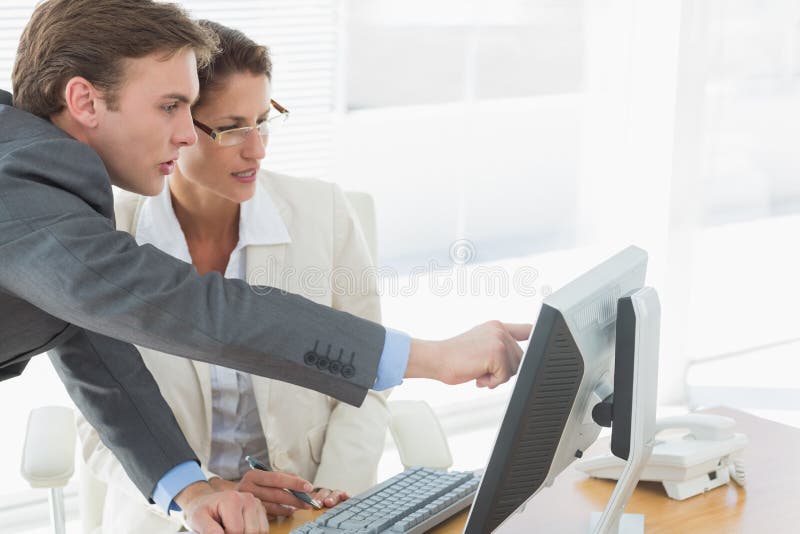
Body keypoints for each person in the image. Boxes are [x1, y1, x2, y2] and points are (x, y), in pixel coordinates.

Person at [0, 1, 530, 532]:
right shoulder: (26, 188)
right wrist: (435, 357)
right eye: (169, 106)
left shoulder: (45, 180)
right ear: (84, 100)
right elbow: (196, 311)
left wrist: (193, 490)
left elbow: (97, 356)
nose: (186, 134)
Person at [77, 20, 391, 533]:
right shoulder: (105, 236)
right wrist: (201, 493)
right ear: (175, 126)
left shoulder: (323, 213)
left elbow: (370, 380)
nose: (257, 150)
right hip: (175, 517)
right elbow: (98, 424)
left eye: (263, 121)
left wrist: (331, 502)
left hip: (312, 508)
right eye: (231, 128)